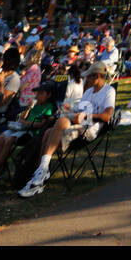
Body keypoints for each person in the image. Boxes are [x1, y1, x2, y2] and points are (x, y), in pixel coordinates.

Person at [19, 64, 115, 198]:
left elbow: (107, 116)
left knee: (59, 124)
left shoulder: (109, 91)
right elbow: (79, 111)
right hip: (78, 124)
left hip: (89, 129)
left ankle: (40, 173)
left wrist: (86, 115)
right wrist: (70, 110)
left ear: (97, 76)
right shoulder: (88, 92)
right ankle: (39, 174)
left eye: (89, 76)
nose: (86, 79)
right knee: (48, 132)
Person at [0, 81, 56, 186]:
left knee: (10, 139)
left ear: (48, 95)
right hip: (21, 128)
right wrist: (28, 109)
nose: (38, 96)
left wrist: (26, 123)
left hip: (31, 132)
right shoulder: (35, 105)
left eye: (41, 93)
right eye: (37, 93)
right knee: (1, 138)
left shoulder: (49, 107)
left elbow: (42, 124)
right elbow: (23, 118)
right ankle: (1, 168)